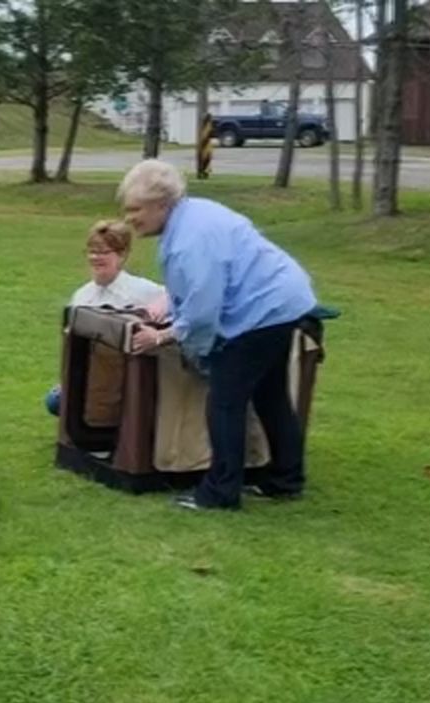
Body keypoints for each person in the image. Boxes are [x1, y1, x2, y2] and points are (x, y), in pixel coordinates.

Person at [118, 159, 320, 511]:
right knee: (270, 394)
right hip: (285, 302)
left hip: (262, 312)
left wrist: (176, 343)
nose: (129, 219)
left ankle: (220, 493)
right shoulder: (194, 215)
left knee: (225, 402)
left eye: (136, 209)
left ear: (161, 204)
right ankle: (286, 480)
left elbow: (203, 311)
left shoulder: (190, 240)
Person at [45, 220, 166, 415]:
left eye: (103, 252)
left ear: (122, 254)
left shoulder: (141, 290)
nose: (95, 257)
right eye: (92, 251)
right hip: (93, 373)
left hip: (129, 374)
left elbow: (176, 298)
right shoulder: (82, 296)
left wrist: (162, 303)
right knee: (55, 400)